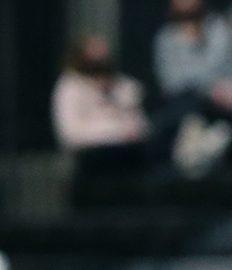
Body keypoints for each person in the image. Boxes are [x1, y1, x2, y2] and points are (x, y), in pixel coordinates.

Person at [153, 0, 232, 176]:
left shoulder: (218, 30)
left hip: (219, 100)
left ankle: (206, 142)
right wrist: (204, 88)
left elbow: (218, 67)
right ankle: (196, 146)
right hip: (185, 102)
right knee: (187, 108)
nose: (186, 4)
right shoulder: (165, 39)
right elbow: (171, 81)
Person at [52, 35, 155, 178]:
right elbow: (71, 134)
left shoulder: (123, 85)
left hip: (130, 159)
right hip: (92, 161)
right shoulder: (70, 88)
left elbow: (141, 124)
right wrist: (115, 133)